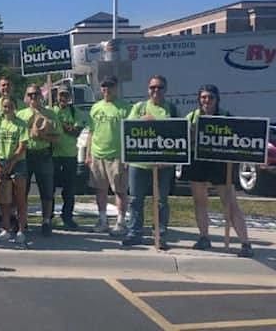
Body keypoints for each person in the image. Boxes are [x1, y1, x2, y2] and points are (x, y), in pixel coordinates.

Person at [182, 84, 253, 257]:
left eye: (210, 97)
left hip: (220, 164)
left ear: (217, 99)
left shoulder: (226, 117)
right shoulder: (191, 117)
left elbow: (237, 139)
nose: (207, 101)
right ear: (199, 99)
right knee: (200, 202)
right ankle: (204, 237)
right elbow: (182, 138)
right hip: (197, 162)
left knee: (230, 203)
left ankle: (245, 243)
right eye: (203, 97)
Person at [122, 75, 179, 249]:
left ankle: (160, 235)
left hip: (163, 165)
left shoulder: (171, 109)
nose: (155, 90)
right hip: (139, 164)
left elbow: (178, 135)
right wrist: (142, 121)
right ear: (148, 89)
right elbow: (127, 128)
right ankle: (134, 233)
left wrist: (170, 159)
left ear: (165, 89)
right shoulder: (139, 108)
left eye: (159, 87)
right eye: (152, 87)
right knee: (135, 200)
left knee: (161, 201)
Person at [86, 76, 131, 235]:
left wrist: (128, 156)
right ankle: (103, 220)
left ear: (116, 87)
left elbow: (130, 133)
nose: (107, 89)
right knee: (100, 190)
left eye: (110, 86)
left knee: (120, 190)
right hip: (98, 155)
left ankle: (121, 222)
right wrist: (88, 154)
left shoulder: (125, 108)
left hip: (117, 155)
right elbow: (91, 132)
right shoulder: (96, 107)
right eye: (104, 86)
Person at [16, 84, 59, 237]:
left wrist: (42, 136)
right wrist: (30, 133)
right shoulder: (20, 115)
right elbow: (16, 135)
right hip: (25, 154)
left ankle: (46, 221)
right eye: (30, 95)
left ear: (41, 95)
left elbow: (57, 138)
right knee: (22, 191)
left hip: (44, 154)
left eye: (36, 94)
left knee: (46, 191)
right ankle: (23, 220)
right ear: (26, 97)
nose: (33, 97)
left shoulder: (50, 114)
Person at [0, 98, 29, 244]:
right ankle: (6, 228)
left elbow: (22, 146)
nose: (7, 109)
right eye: (5, 106)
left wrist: (11, 163)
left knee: (20, 198)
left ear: (15, 108)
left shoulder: (21, 124)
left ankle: (21, 230)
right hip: (2, 162)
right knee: (4, 199)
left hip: (18, 162)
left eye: (10, 106)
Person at [52, 86, 89, 229]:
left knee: (69, 190)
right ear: (57, 96)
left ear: (69, 97)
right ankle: (49, 217)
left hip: (70, 156)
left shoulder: (76, 112)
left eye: (66, 95)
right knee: (50, 189)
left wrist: (60, 125)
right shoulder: (51, 111)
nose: (63, 98)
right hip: (54, 155)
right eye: (61, 95)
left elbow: (75, 132)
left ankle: (67, 217)